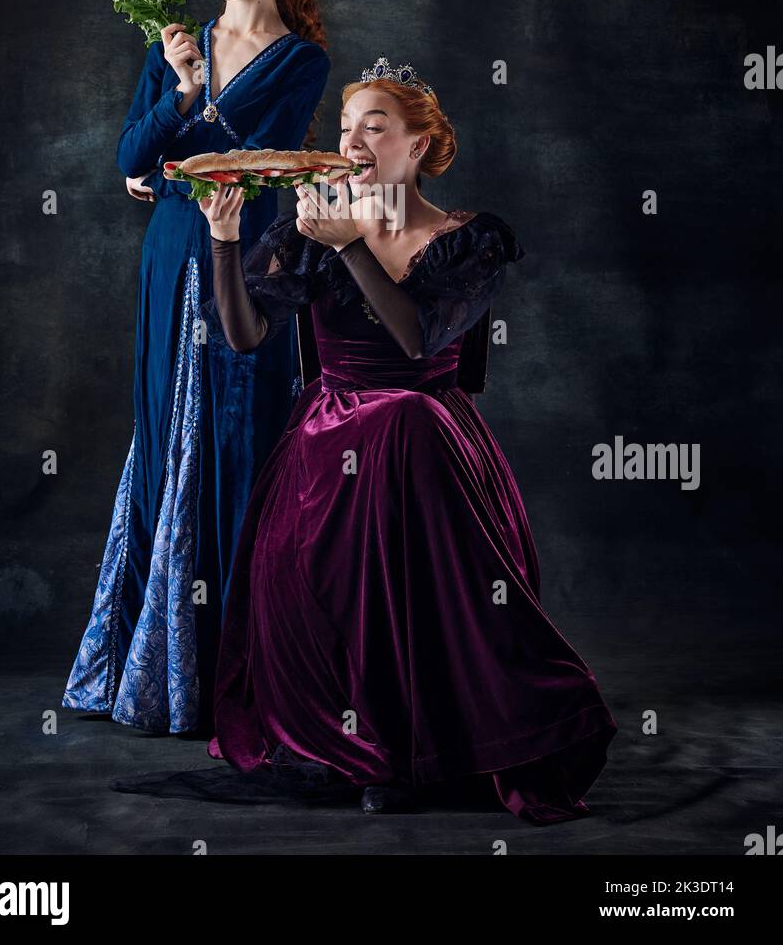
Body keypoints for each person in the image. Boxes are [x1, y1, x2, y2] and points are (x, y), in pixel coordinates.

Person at [198, 56, 617, 820]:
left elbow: (421, 344)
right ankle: (360, 746)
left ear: (417, 146)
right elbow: (246, 335)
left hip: (424, 440)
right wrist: (225, 238)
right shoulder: (313, 226)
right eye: (348, 125)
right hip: (329, 441)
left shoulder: (468, 238)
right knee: (360, 450)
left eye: (376, 126)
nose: (353, 140)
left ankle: (430, 745)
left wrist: (353, 244)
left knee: (405, 417)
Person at [62, 0, 330, 736]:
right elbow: (129, 155)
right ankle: (149, 660)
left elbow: (249, 163)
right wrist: (178, 91)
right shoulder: (178, 45)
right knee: (163, 433)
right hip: (167, 258)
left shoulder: (302, 60)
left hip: (241, 259)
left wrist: (170, 161)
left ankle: (227, 669)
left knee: (234, 433)